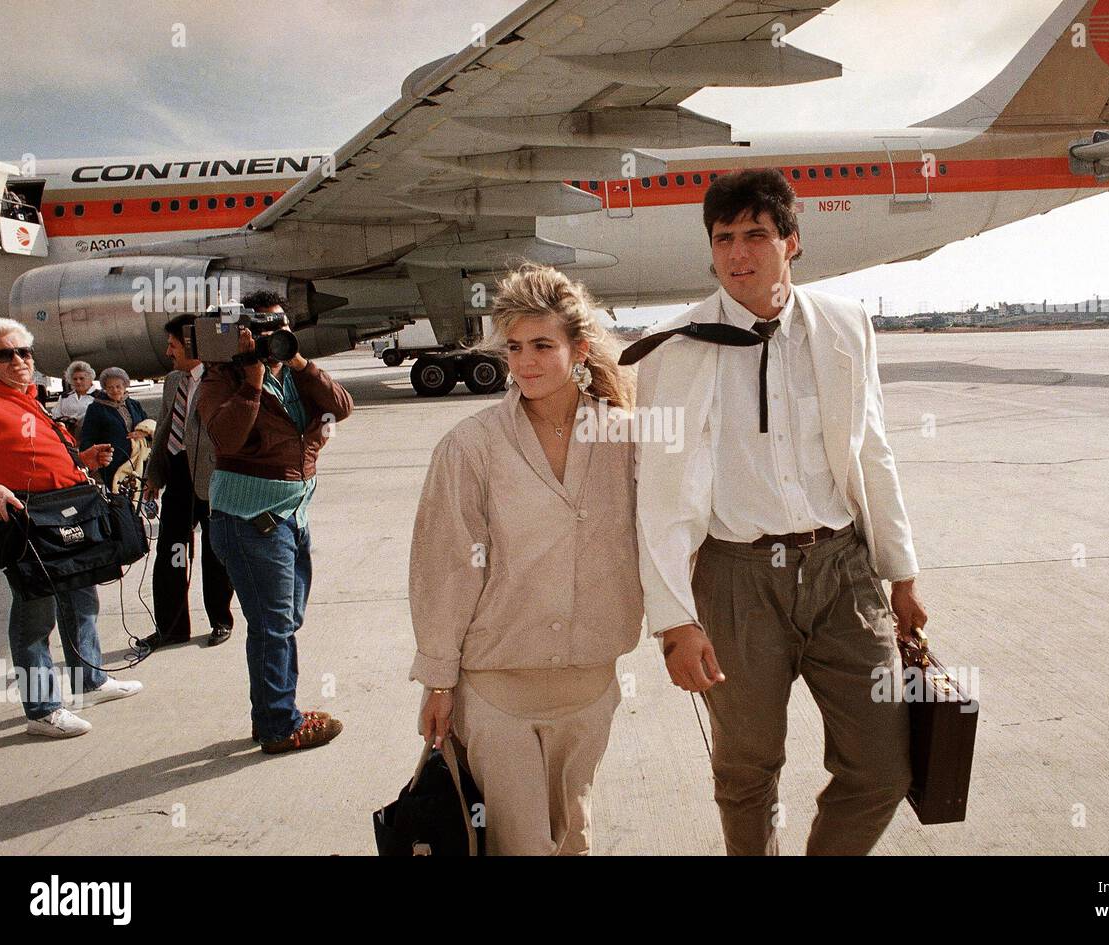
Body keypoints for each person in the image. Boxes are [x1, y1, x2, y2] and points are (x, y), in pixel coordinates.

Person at [624, 168, 929, 856]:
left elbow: (871, 449)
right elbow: (662, 496)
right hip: (737, 581)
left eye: (756, 234)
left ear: (792, 240)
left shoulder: (846, 326)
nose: (738, 253)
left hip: (842, 572)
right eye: (724, 237)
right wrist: (674, 620)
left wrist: (902, 570)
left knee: (882, 766)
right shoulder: (676, 345)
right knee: (746, 769)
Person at [410, 264, 643, 855]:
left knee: (574, 836)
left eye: (543, 345)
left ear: (580, 349)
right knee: (519, 846)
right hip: (497, 689)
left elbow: (663, 541)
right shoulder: (470, 446)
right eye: (514, 348)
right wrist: (438, 680)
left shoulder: (629, 438)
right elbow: (445, 568)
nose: (525, 362)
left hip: (590, 683)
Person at [198, 291, 352, 754]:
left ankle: (269, 711)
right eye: (259, 330)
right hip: (249, 521)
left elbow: (340, 406)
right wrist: (250, 380)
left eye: (278, 328)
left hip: (290, 516)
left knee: (284, 619)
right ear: (240, 334)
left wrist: (300, 362)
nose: (271, 338)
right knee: (272, 624)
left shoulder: (293, 373)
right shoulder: (219, 379)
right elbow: (225, 439)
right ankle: (279, 726)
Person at [0, 317, 143, 738]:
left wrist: (80, 460)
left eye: (24, 352)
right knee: (35, 614)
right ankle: (42, 711)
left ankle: (89, 681)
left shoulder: (28, 398)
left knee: (81, 597)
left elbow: (31, 451)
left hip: (68, 511)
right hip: (29, 520)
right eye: (6, 353)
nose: (19, 360)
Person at [141, 314, 235, 650]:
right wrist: (154, 475)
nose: (168, 352)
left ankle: (220, 620)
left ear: (193, 345)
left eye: (173, 345)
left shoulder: (223, 379)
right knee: (170, 552)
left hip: (213, 480)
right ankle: (172, 627)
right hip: (179, 476)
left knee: (215, 554)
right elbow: (165, 428)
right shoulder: (173, 381)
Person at [78, 366, 148, 489]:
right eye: (110, 387)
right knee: (119, 501)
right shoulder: (96, 408)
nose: (115, 390)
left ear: (125, 386)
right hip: (112, 463)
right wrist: (92, 463)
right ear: (104, 388)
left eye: (118, 386)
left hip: (138, 461)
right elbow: (87, 438)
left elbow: (148, 424)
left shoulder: (134, 404)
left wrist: (143, 433)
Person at [50, 361, 98, 436]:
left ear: (90, 379)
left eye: (82, 378)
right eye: (75, 379)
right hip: (67, 437)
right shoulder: (64, 397)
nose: (78, 381)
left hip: (91, 437)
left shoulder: (99, 397)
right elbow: (55, 415)